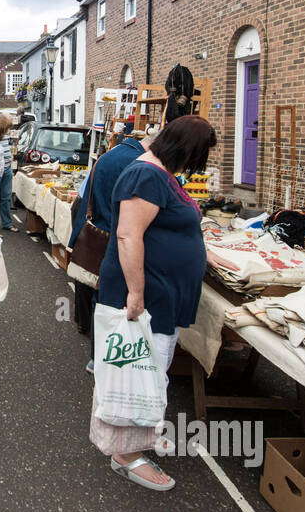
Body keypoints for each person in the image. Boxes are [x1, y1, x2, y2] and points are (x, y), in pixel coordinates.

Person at [96, 115, 217, 492]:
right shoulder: (146, 175)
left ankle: (141, 435)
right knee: (140, 370)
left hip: (162, 294)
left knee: (152, 368)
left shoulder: (158, 173)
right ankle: (126, 454)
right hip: (148, 295)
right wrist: (136, 292)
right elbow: (128, 235)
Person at [71, 124, 145, 353]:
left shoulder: (108, 156)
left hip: (90, 218)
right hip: (108, 227)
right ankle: (101, 344)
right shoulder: (139, 162)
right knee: (101, 286)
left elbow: (86, 193)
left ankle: (84, 323)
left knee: (87, 274)